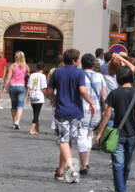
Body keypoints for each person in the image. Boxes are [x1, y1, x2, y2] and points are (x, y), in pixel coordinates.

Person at [94, 66, 135, 192]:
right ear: (131, 78)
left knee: (118, 166)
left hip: (117, 136)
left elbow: (107, 115)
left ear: (118, 79)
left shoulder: (114, 93)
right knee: (126, 166)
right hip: (132, 136)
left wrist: (100, 133)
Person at [48, 49, 90, 183]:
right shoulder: (79, 73)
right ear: (74, 61)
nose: (79, 62)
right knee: (66, 141)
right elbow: (82, 91)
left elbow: (49, 91)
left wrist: (53, 98)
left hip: (62, 111)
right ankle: (67, 169)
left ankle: (64, 169)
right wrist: (92, 103)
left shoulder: (57, 72)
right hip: (76, 112)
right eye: (78, 59)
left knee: (64, 141)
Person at [78, 53, 105, 177]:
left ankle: (83, 165)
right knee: (89, 134)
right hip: (97, 111)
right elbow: (104, 96)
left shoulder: (79, 75)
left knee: (82, 135)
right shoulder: (100, 76)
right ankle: (87, 161)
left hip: (81, 110)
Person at [6, 51, 29, 130]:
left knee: (13, 105)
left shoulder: (12, 66)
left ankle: (14, 122)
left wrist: (4, 87)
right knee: (20, 106)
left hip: (12, 86)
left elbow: (8, 77)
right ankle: (17, 122)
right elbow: (28, 77)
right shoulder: (26, 66)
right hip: (21, 87)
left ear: (16, 57)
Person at [27, 62, 47, 134]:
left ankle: (37, 129)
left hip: (32, 95)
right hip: (39, 95)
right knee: (36, 114)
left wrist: (27, 96)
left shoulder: (32, 75)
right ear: (43, 69)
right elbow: (43, 87)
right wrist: (46, 95)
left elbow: (28, 86)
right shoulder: (43, 76)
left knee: (35, 112)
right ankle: (31, 129)